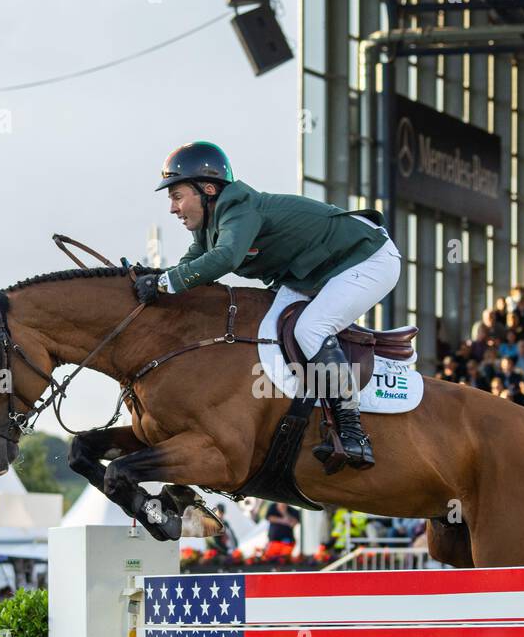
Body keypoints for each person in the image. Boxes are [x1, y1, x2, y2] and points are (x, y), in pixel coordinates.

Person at [133, 142, 402, 471]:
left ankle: (353, 432)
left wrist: (163, 283)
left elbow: (225, 259)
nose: (173, 208)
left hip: (368, 257)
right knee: (265, 325)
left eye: (177, 196)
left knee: (310, 328)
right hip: (318, 271)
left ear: (207, 189)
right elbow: (189, 267)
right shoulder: (209, 225)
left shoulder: (237, 208)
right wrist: (150, 283)